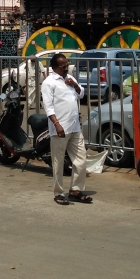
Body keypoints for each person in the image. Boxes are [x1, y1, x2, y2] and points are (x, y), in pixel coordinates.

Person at [40, 53, 92, 205]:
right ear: (55, 67)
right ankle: (58, 193)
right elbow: (48, 107)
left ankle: (75, 189)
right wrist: (56, 124)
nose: (66, 68)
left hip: (74, 126)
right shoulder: (49, 83)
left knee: (81, 159)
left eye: (67, 65)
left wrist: (74, 85)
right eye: (63, 66)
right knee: (58, 162)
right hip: (60, 128)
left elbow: (81, 94)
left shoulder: (70, 78)